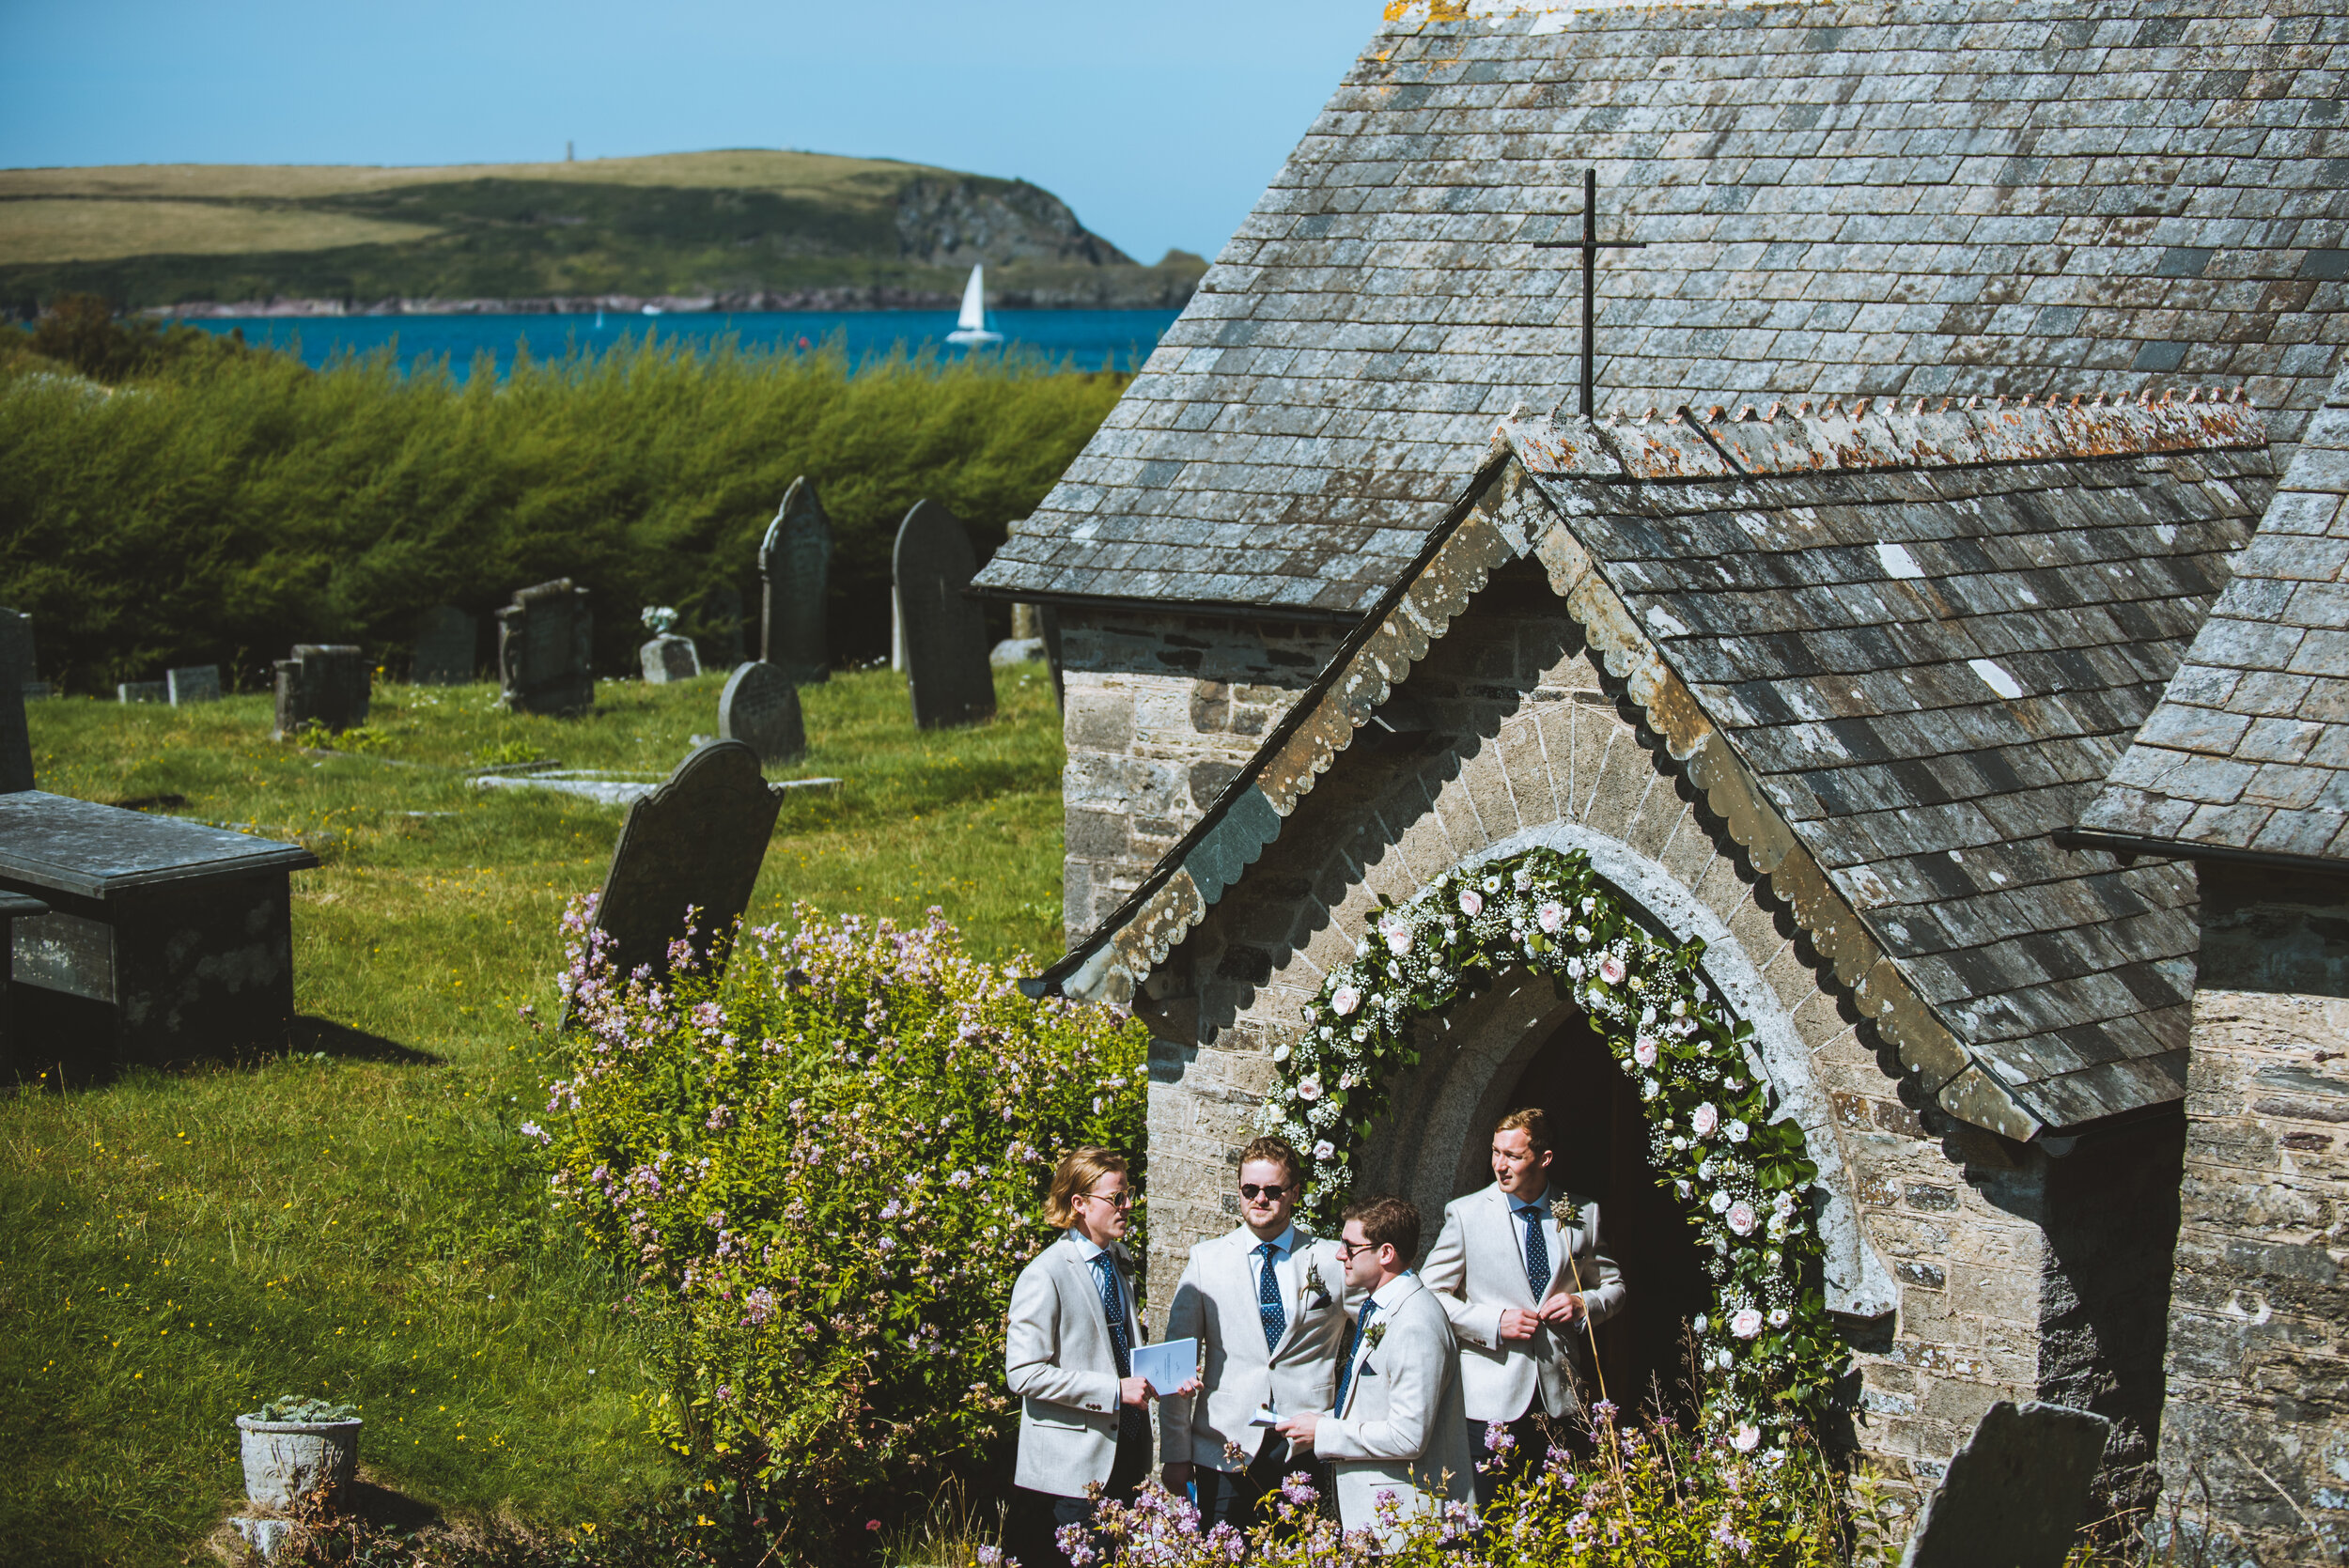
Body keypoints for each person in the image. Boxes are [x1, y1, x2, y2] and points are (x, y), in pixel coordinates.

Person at [1421, 1107, 1625, 1501]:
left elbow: (1615, 1287)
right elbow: (1429, 1297)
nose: (1499, 1165)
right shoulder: (1465, 1214)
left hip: (1561, 1399)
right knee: (1492, 1522)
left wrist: (1583, 1305)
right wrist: (1494, 1322)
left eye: (1512, 1156)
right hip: (1489, 1403)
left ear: (1544, 1159)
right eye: (1495, 1152)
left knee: (1562, 1523)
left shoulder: (1585, 1211)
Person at [1006, 1147, 1191, 1556]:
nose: (1128, 1206)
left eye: (1129, 1194)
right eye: (1117, 1198)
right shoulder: (1044, 1275)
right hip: (1072, 1470)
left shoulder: (1118, 1258)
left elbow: (1114, 1349)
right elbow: (1023, 1374)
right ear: (1079, 1204)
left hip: (1127, 1454)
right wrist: (1112, 1392)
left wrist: (1166, 1376)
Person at [1160, 1136, 1352, 1528]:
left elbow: (1379, 1329)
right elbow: (1176, 1363)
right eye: (1250, 1190)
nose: (1260, 1199)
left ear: (1295, 1193)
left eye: (1272, 1190)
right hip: (1224, 1445)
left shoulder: (1332, 1261)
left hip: (1303, 1445)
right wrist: (1176, 1453)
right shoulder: (1206, 1262)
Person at [1276, 1195, 1473, 1549]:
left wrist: (1325, 1432)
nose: (1340, 1256)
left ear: (1385, 1253)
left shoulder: (1416, 1321)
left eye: (1350, 1247)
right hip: (1380, 1522)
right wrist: (1314, 1420)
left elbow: (1409, 1435)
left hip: (1407, 1526)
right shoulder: (1381, 1307)